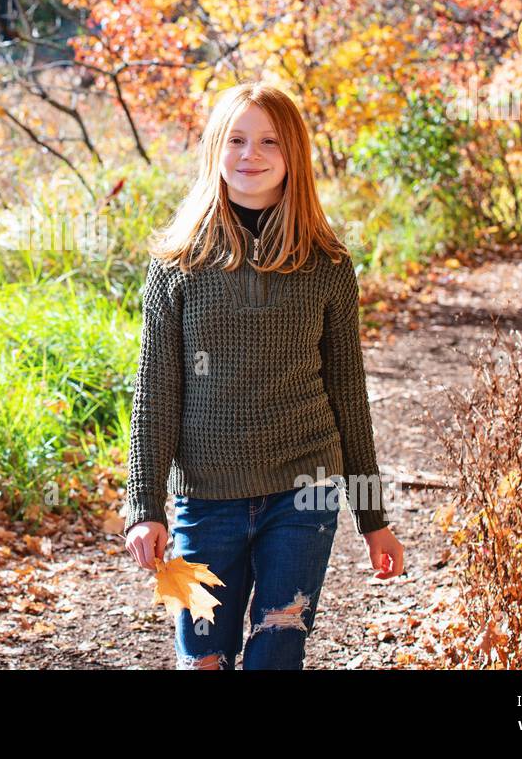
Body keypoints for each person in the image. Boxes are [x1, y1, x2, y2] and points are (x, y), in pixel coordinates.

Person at [123, 81, 405, 669]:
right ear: (215, 152)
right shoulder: (177, 264)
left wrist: (374, 519)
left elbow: (349, 397)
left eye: (269, 141)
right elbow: (157, 391)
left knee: (279, 648)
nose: (250, 154)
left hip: (304, 495)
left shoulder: (326, 264)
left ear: (293, 155)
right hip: (202, 499)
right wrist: (145, 506)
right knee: (201, 654)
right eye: (237, 140)